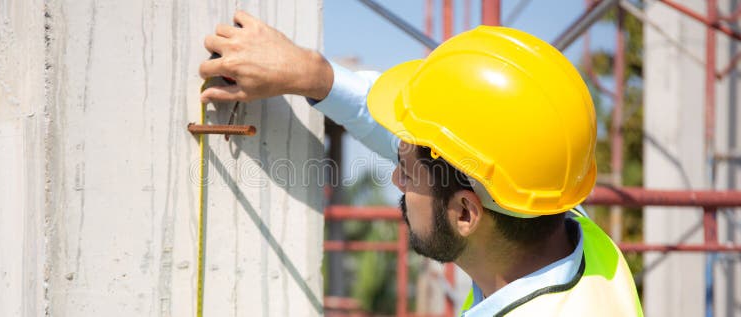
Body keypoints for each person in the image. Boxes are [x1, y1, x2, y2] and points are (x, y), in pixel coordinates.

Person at [199, 11, 643, 316]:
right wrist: (315, 75)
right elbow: (455, 155)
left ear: (467, 213)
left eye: (406, 174)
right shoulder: (557, 218)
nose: (394, 176)